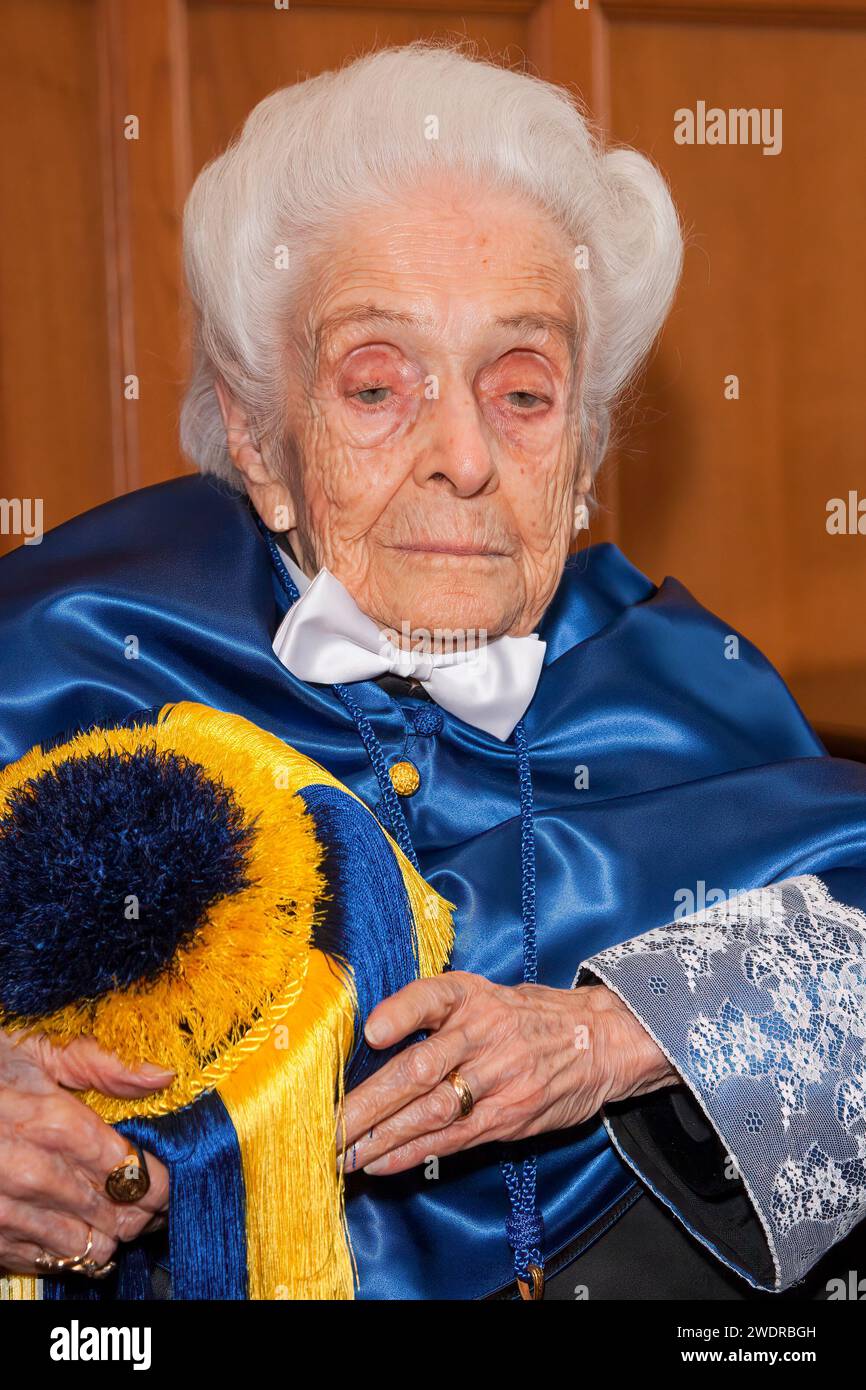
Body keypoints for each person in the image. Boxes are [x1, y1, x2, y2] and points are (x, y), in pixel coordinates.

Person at [1, 40, 865, 1301]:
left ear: (580, 454)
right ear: (259, 435)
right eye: (374, 384)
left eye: (522, 391)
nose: (462, 455)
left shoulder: (688, 690)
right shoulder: (65, 643)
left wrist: (611, 1034)